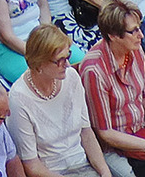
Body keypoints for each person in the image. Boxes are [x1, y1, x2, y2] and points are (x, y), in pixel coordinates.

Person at [81, 0, 145, 175]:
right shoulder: (94, 71)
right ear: (113, 36)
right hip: (117, 148)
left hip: (144, 131)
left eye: (139, 28)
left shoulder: (136, 50)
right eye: (133, 31)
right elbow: (105, 133)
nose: (141, 35)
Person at [8, 22, 109, 177]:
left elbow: (86, 133)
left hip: (84, 165)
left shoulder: (72, 77)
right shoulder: (18, 99)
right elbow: (32, 165)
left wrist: (104, 172)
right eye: (60, 60)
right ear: (39, 64)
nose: (67, 64)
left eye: (67, 56)